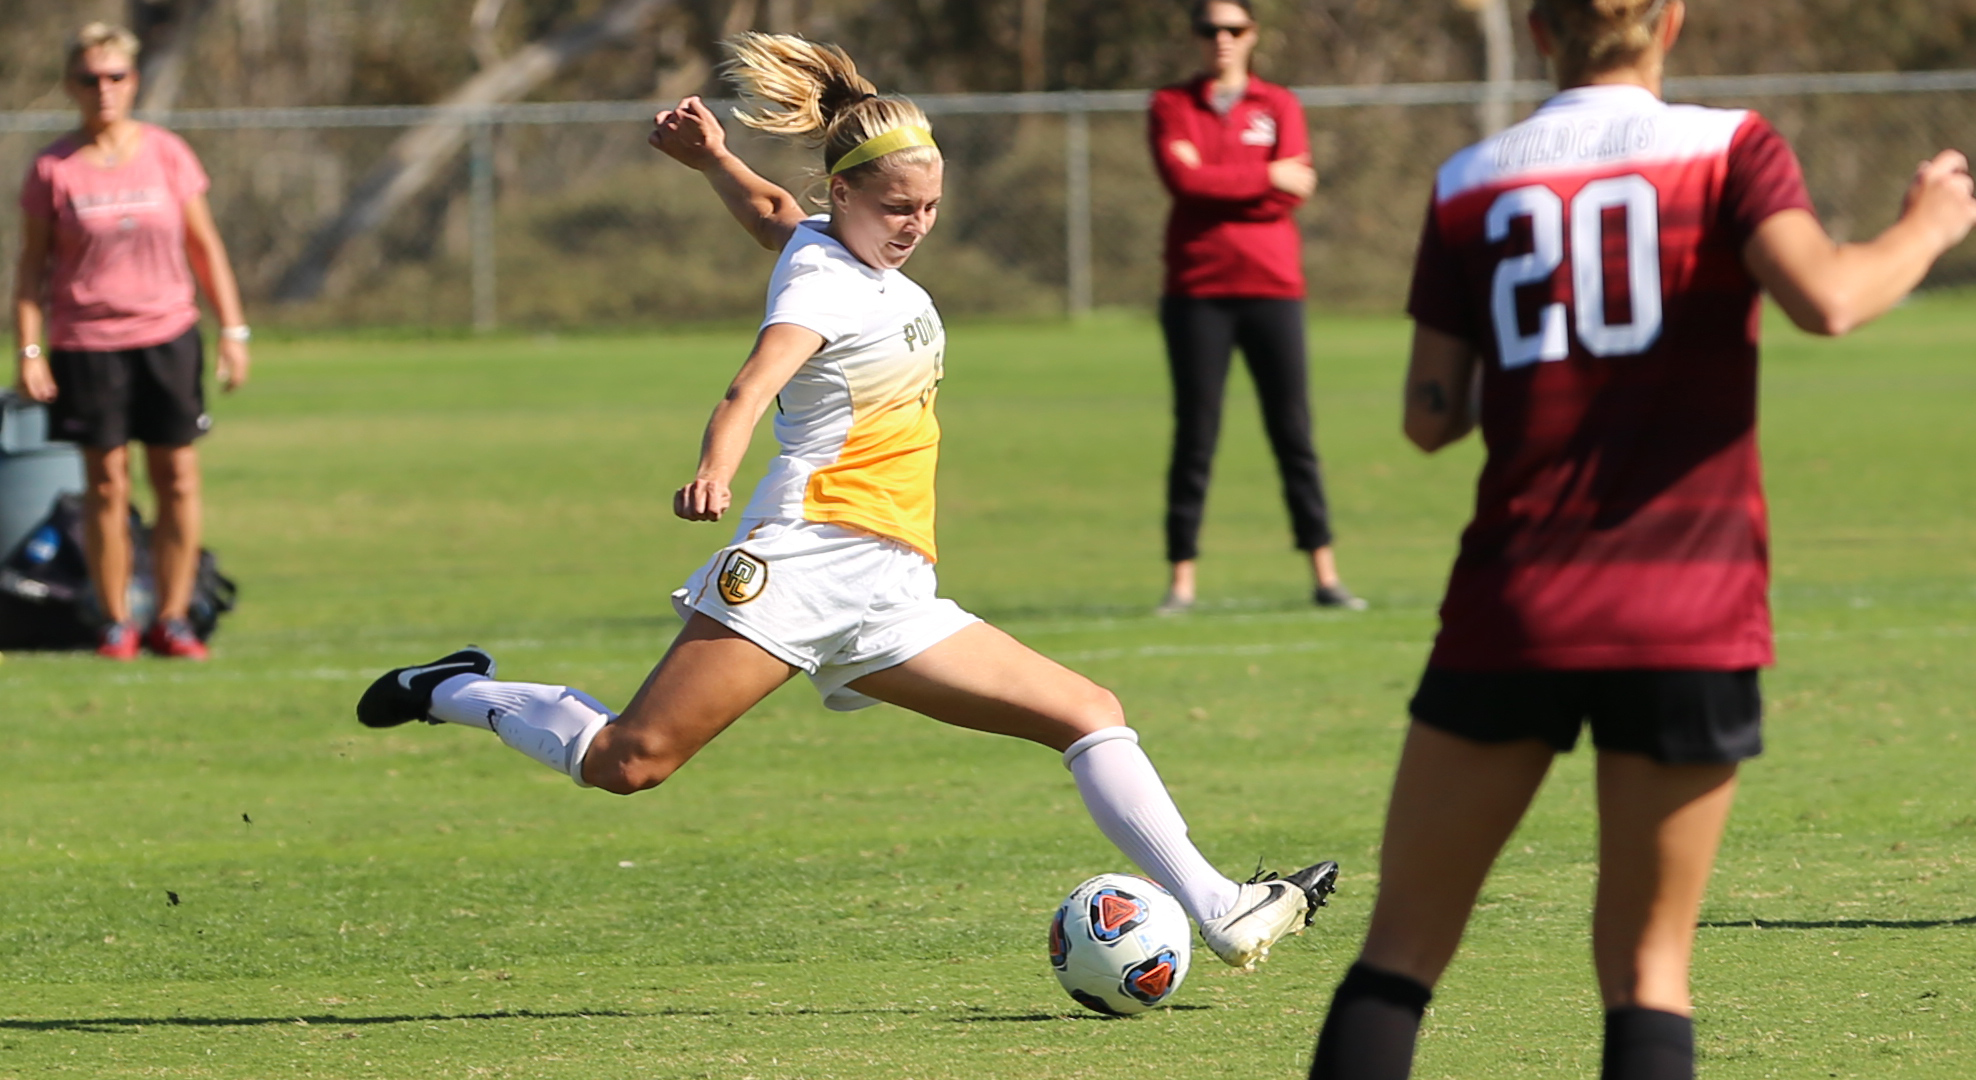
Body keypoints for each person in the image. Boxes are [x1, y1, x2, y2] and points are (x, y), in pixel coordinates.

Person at [356, 32, 1338, 974]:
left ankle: (1219, 909)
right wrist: (715, 467)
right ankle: (452, 688)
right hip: (802, 562)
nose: (915, 225)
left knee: (1086, 712)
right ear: (850, 193)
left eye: (931, 207)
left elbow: (775, 218)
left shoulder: (834, 248)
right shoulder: (825, 286)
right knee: (629, 761)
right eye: (899, 206)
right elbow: (750, 382)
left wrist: (712, 162)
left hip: (892, 588)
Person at [1305, 2, 1976, 1079]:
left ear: (1534, 32)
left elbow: (1429, 414)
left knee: (1398, 956)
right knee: (1647, 973)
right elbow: (1830, 300)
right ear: (1669, 19)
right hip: (1688, 609)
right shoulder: (1728, 149)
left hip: (1514, 604)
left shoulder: (1472, 178)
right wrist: (1929, 225)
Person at [12, 22, 251, 661]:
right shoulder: (53, 168)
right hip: (87, 342)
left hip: (166, 334)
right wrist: (29, 349)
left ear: (134, 81)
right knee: (107, 484)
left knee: (176, 475)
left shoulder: (167, 155)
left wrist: (233, 329)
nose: (104, 89)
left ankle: (174, 618)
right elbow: (31, 270)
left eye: (115, 76)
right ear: (72, 85)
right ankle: (115, 620)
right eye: (90, 78)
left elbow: (206, 248)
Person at [1148, 0, 1361, 615]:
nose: (1222, 39)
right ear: (1195, 37)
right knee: (1196, 435)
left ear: (1252, 35)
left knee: (1293, 432)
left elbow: (1290, 196)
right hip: (1195, 293)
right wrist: (1267, 174)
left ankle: (1325, 573)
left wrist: (1223, 176)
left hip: (1273, 289)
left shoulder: (1280, 105)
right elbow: (1184, 184)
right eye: (1210, 29)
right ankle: (1181, 580)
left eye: (1233, 29)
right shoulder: (1171, 105)